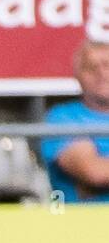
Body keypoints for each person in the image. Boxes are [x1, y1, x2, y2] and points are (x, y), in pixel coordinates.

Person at [42, 40, 109, 205]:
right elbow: (95, 173)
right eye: (91, 68)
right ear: (77, 76)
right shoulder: (62, 118)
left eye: (108, 65)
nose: (102, 74)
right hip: (82, 224)